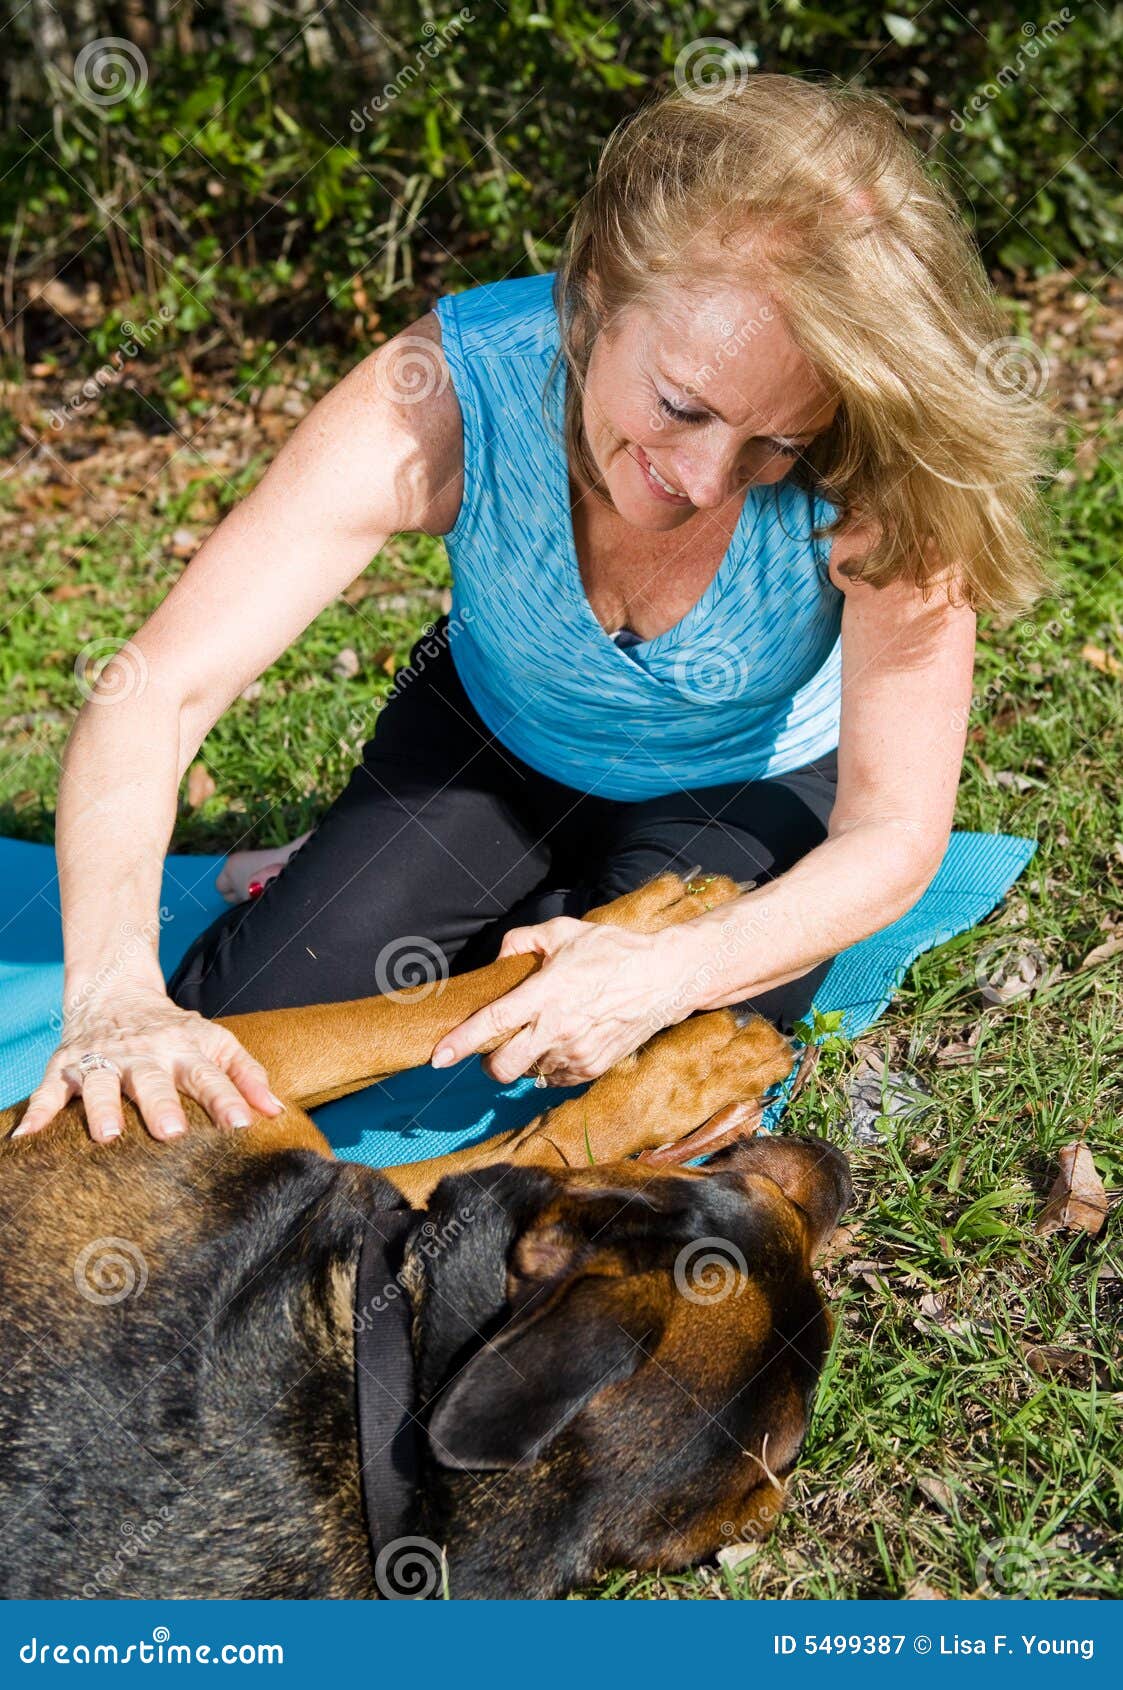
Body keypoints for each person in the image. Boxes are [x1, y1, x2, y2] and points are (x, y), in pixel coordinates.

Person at [16, 74, 1048, 1146]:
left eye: (771, 444)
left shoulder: (879, 454)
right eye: (680, 406)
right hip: (493, 743)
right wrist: (110, 997)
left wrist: (665, 969)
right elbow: (158, 687)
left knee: (669, 1090)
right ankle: (512, 909)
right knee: (231, 1048)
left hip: (743, 782)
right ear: (594, 291)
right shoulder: (454, 389)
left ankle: (553, 920)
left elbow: (893, 833)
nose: (702, 480)